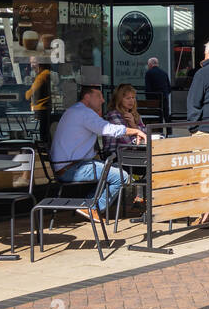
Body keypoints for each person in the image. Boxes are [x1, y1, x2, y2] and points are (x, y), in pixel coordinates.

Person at [50, 76, 146, 222]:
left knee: (116, 170)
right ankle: (93, 207)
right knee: (122, 176)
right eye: (99, 97)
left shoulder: (76, 111)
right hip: (72, 168)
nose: (102, 100)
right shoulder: (84, 113)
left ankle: (88, 205)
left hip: (68, 165)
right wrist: (136, 131)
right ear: (88, 97)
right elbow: (107, 129)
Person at [25, 59, 54, 144]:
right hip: (45, 107)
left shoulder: (42, 75)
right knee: (44, 129)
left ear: (40, 64)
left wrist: (27, 93)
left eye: (34, 62)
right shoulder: (45, 74)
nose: (32, 65)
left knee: (43, 131)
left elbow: (28, 95)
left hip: (42, 108)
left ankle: (44, 147)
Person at [144, 56, 172, 122]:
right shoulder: (164, 73)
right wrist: (165, 94)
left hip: (154, 98)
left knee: (155, 115)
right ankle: (169, 131)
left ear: (150, 64)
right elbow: (169, 88)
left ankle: (159, 130)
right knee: (166, 115)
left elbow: (148, 88)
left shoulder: (149, 73)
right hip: (164, 97)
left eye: (148, 64)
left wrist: (148, 99)